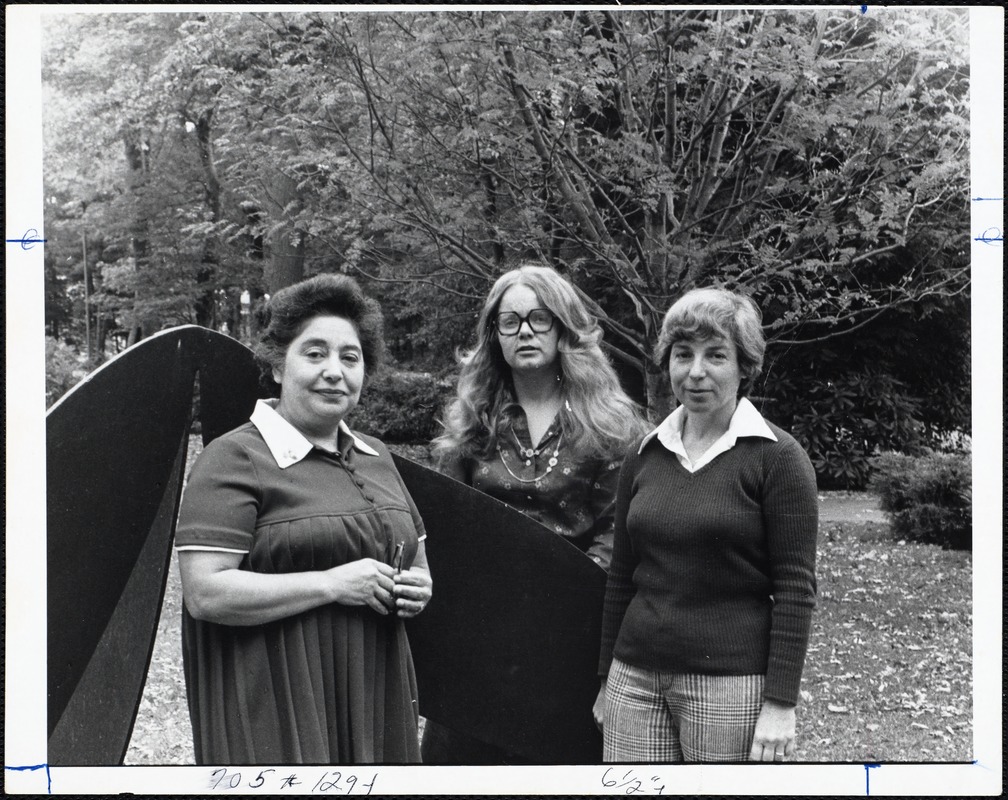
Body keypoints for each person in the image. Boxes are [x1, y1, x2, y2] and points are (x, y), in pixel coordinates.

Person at [175, 274, 433, 764]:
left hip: (376, 697)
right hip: (275, 705)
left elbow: (418, 561)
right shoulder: (233, 457)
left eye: (349, 357)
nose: (334, 371)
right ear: (277, 364)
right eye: (314, 354)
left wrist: (418, 585)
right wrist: (332, 584)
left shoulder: (376, 456)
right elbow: (205, 593)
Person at [422, 263, 650, 763]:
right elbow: (445, 527)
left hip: (568, 635)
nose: (524, 331)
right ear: (494, 336)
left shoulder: (609, 424)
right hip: (478, 634)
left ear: (563, 327)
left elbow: (616, 535)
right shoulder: (470, 423)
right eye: (510, 321)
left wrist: (553, 603)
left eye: (539, 319)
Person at [593, 287, 818, 763]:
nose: (696, 372)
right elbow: (621, 577)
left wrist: (780, 703)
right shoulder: (643, 454)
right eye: (683, 354)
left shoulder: (778, 458)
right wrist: (604, 680)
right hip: (633, 682)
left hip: (729, 688)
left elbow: (795, 588)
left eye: (715, 355)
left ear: (744, 366)